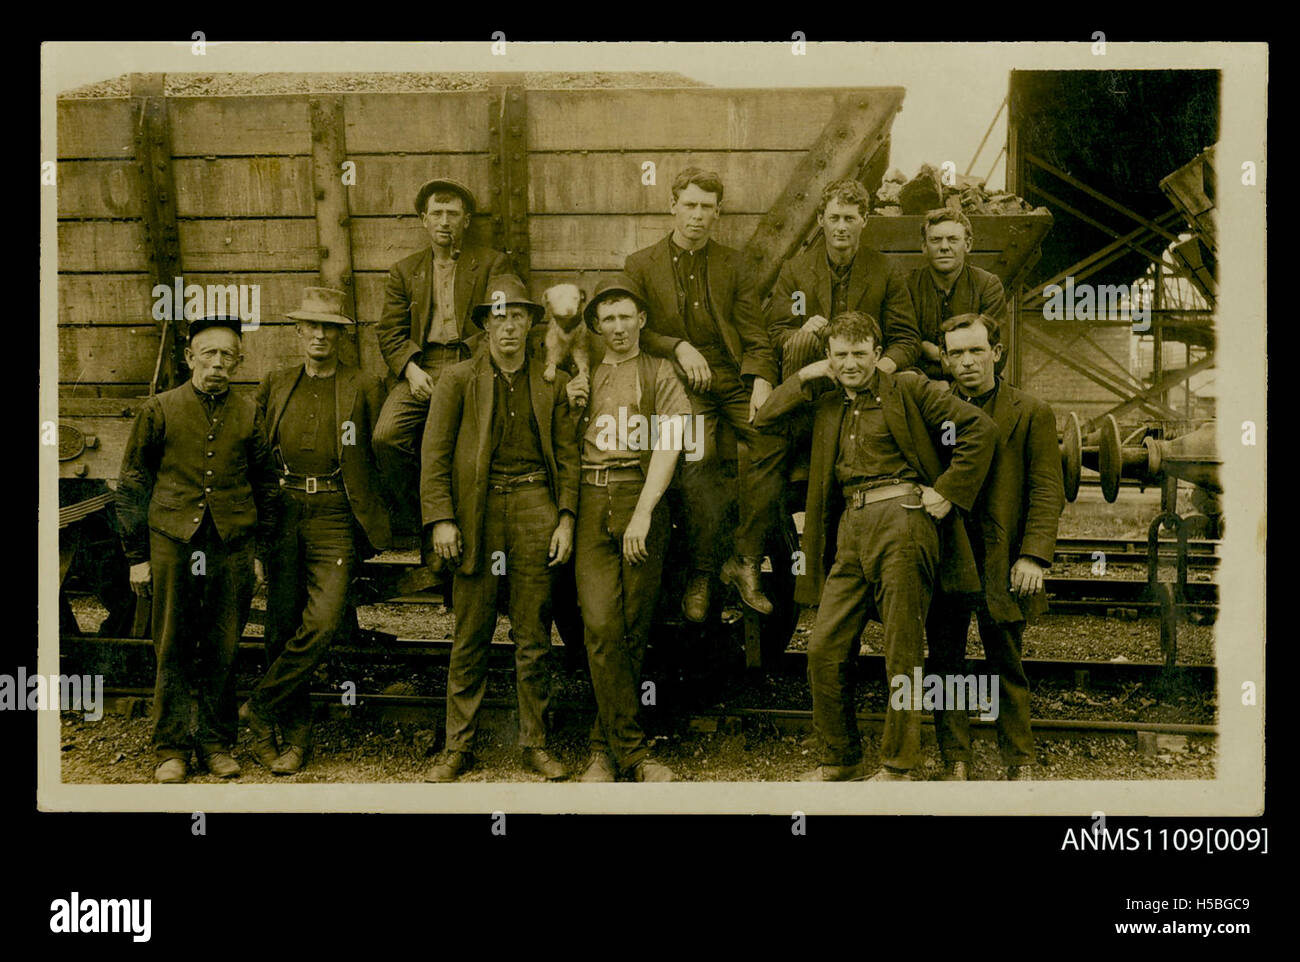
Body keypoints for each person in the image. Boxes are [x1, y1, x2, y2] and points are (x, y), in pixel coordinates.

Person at [754, 311, 996, 781]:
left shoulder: (907, 387)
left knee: (902, 650)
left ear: (877, 354)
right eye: (840, 355)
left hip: (904, 521)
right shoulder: (827, 403)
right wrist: (806, 374)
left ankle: (899, 766)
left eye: (859, 354)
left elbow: (978, 430)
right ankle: (841, 759)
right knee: (823, 647)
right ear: (829, 357)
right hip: (851, 527)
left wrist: (947, 491)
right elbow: (764, 419)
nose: (850, 364)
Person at [419, 275, 579, 782]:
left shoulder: (549, 380)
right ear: (485, 324)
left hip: (534, 504)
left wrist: (567, 518)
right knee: (472, 631)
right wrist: (442, 518)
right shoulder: (458, 379)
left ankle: (535, 742)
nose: (507, 327)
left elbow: (570, 457)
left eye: (517, 317)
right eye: (498, 316)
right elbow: (435, 454)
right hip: (479, 509)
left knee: (534, 633)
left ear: (531, 324)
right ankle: (457, 747)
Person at [116, 315, 281, 783]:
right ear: (190, 357)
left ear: (239, 362)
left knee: (223, 644)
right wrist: (137, 557)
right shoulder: (160, 409)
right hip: (171, 541)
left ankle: (215, 742)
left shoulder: (250, 413)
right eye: (208, 353)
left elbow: (266, 485)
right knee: (171, 645)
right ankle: (171, 748)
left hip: (231, 544)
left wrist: (257, 552)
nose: (218, 364)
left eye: (228, 355)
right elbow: (131, 484)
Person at [624, 166, 786, 621]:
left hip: (731, 379)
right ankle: (701, 570)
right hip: (679, 382)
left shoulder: (733, 264)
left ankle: (745, 558)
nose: (697, 215)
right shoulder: (641, 264)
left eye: (706, 207)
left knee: (770, 443)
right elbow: (637, 330)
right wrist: (678, 346)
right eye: (689, 204)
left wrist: (761, 379)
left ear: (718, 213)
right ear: (672, 205)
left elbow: (756, 335)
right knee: (698, 460)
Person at [246, 288, 392, 775]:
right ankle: (293, 737)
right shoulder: (276, 382)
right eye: (311, 326)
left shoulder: (365, 385)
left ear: (341, 334)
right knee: (280, 628)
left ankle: (259, 706)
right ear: (298, 331)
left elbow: (387, 451)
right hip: (285, 511)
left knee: (324, 622)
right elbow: (257, 454)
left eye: (329, 328)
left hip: (335, 513)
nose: (319, 336)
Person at [926, 313, 1064, 780]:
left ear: (996, 353)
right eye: (956, 353)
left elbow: (1047, 489)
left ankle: (1018, 761)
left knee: (1006, 660)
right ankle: (956, 760)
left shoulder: (1031, 412)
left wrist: (1034, 555)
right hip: (948, 555)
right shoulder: (934, 410)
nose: (967, 362)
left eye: (976, 351)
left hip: (1003, 560)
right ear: (944, 359)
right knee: (945, 663)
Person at [565, 275, 691, 783]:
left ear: (641, 320)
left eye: (626, 316)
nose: (617, 327)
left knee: (633, 628)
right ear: (595, 325)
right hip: (592, 497)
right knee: (599, 626)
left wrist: (643, 511)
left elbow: (672, 441)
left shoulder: (659, 371)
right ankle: (635, 755)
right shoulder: (582, 374)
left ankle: (602, 751)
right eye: (607, 318)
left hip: (642, 499)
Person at [373, 176, 511, 534]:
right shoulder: (405, 272)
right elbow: (389, 331)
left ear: (466, 220)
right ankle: (422, 519)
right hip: (424, 365)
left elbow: (499, 323)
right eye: (437, 213)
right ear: (424, 220)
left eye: (453, 213)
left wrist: (472, 366)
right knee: (386, 437)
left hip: (472, 363)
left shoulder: (492, 265)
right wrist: (410, 371)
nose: (445, 221)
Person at [766, 179, 921, 383]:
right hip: (816, 372)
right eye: (834, 218)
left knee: (910, 380)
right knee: (800, 341)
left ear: (864, 220)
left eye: (849, 219)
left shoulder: (886, 270)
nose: (841, 227)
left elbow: (906, 338)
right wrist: (801, 331)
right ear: (821, 219)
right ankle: (796, 412)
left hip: (868, 372)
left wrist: (879, 369)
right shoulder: (796, 271)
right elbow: (778, 332)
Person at [906, 208, 1008, 381]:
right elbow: (904, 347)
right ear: (924, 246)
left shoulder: (987, 285)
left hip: (974, 386)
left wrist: (935, 353)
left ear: (967, 244)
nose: (944, 247)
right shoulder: (907, 286)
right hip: (922, 386)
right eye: (936, 240)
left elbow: (997, 356)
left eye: (953, 240)